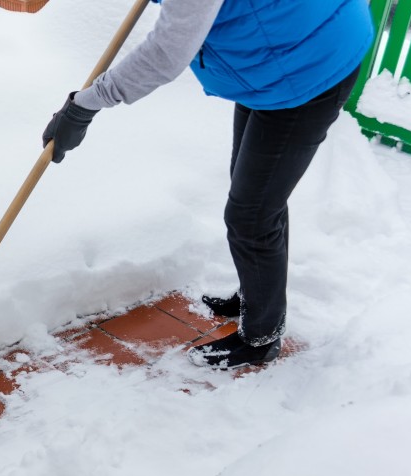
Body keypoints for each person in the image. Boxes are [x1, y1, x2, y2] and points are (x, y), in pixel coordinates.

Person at [42, 0, 374, 369]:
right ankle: (258, 296)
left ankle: (261, 337)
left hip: (308, 66)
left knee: (252, 213)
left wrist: (84, 106)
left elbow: (166, 53)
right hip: (278, 52)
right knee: (257, 198)